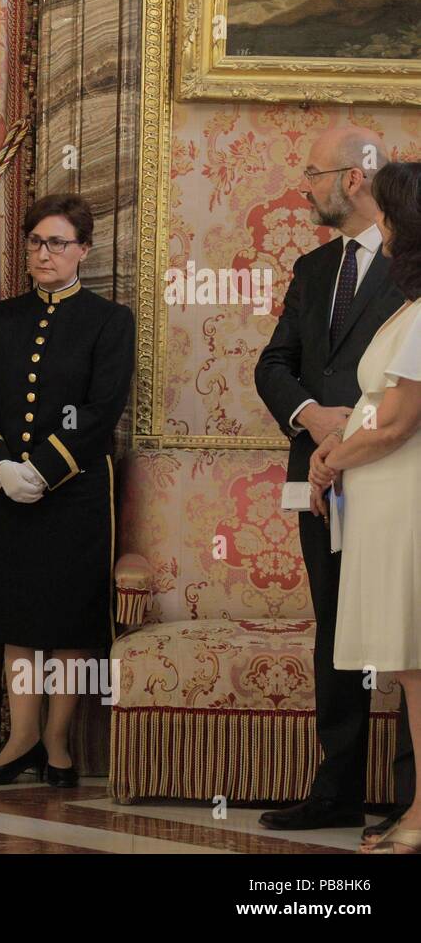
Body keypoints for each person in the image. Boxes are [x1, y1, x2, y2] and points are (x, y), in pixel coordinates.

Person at [255, 126, 413, 833]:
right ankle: (336, 790)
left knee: (411, 633)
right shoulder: (313, 269)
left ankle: (413, 797)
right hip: (316, 481)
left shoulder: (415, 270)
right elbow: (273, 365)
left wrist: (356, 436)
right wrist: (313, 416)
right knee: (336, 630)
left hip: (395, 478)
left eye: (314, 174)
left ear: (355, 178)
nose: (305, 188)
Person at [0, 193, 134, 787]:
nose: (44, 253)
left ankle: (58, 746)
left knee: (67, 624)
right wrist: (2, 466)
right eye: (36, 241)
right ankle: (19, 739)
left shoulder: (109, 321)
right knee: (18, 619)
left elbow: (101, 410)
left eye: (57, 243)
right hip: (9, 492)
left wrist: (44, 469)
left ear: (84, 250)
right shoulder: (2, 317)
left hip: (76, 494)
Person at [308, 160, 421, 854]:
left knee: (415, 663)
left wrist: (330, 458)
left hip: (404, 499)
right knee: (411, 666)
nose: (375, 222)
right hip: (387, 500)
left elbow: (402, 422)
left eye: (383, 213)